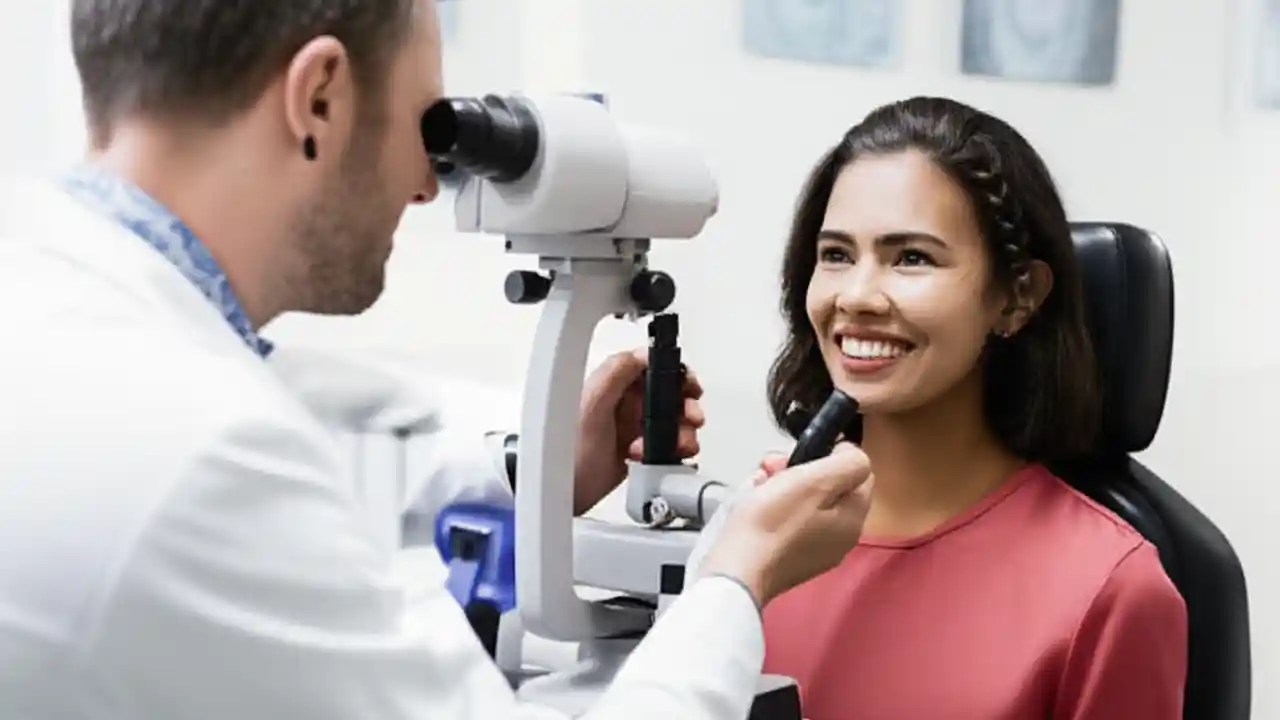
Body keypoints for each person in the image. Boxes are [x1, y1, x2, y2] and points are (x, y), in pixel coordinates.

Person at [0, 1, 874, 718]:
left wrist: (532, 465)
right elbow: (243, 469)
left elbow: (327, 431)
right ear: (319, 98)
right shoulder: (197, 461)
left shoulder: (56, 300)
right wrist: (735, 578)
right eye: (428, 126)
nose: (428, 183)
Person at [753, 97, 1188, 718]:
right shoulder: (756, 543)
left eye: (912, 257)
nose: (856, 296)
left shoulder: (1113, 590)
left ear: (1017, 296)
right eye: (837, 255)